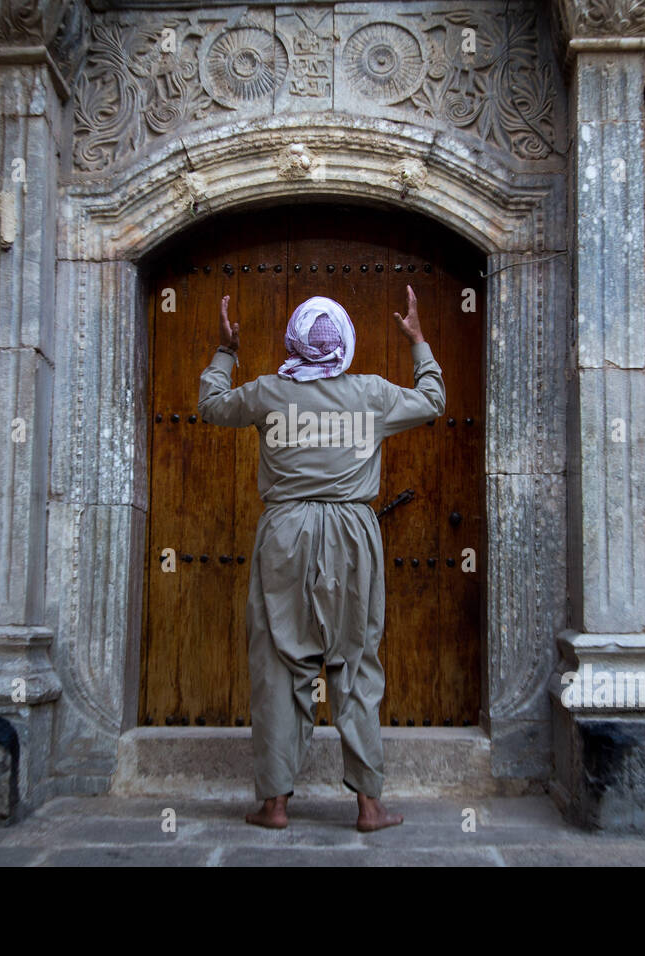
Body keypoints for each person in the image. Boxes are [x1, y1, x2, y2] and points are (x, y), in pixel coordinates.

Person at [197, 285, 445, 831]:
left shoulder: (267, 393)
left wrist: (226, 351)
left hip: (285, 534)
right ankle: (369, 805)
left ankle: (275, 804)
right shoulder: (374, 395)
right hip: (354, 533)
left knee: (279, 663)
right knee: (354, 662)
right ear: (346, 344)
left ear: (294, 341)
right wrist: (418, 341)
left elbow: (211, 407)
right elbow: (433, 401)